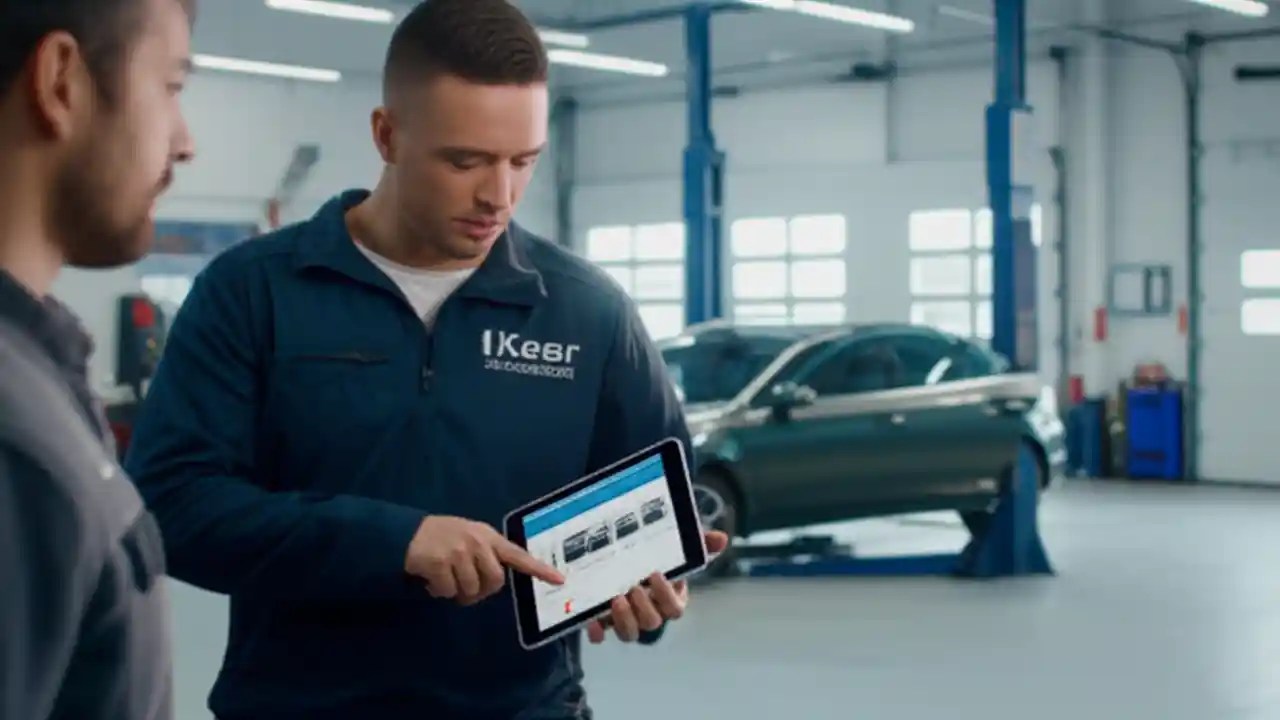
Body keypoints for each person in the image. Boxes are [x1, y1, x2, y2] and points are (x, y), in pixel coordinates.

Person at [123, 0, 728, 718]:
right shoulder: (253, 292)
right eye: (464, 160)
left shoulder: (588, 311)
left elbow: (663, 508)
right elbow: (171, 508)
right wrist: (394, 541)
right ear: (386, 134)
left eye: (522, 161)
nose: (496, 196)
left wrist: (648, 592)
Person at [0, 0, 197, 718]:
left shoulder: (39, 372)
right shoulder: (15, 443)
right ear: (61, 82)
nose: (185, 141)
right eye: (171, 87)